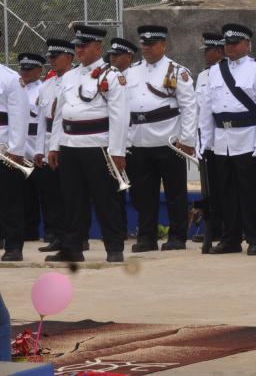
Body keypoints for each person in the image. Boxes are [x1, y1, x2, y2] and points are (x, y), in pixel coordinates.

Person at [46, 24, 130, 263]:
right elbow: (60, 114)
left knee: (105, 199)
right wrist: (54, 146)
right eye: (77, 46)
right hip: (70, 145)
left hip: (98, 146)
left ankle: (114, 247)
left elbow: (120, 116)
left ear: (97, 47)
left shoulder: (112, 76)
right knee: (72, 199)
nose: (79, 50)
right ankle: (73, 247)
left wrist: (117, 151)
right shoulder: (69, 76)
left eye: (84, 46)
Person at [199, 23, 256, 256]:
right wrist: (206, 143)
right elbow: (207, 109)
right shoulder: (214, 71)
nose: (230, 48)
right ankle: (230, 239)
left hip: (247, 137)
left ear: (247, 45)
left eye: (235, 44)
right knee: (226, 194)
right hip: (222, 139)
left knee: (249, 192)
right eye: (227, 44)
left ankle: (255, 239)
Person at [125, 25, 197, 252]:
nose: (146, 48)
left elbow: (189, 107)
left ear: (163, 45)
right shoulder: (131, 71)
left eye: (152, 44)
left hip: (169, 140)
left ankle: (177, 236)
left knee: (175, 193)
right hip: (139, 139)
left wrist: (187, 140)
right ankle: (147, 237)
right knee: (143, 193)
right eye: (144, 44)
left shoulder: (177, 72)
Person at [35, 39, 79, 253]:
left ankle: (76, 237)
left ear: (69, 58)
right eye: (50, 57)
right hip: (49, 143)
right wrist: (39, 150)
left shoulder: (76, 81)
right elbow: (43, 122)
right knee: (51, 195)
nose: (51, 61)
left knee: (70, 194)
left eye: (55, 57)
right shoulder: (45, 87)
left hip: (70, 142)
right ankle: (57, 236)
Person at [195, 31, 226, 252]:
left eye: (208, 50)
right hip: (207, 141)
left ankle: (230, 228)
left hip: (225, 139)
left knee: (226, 188)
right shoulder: (203, 76)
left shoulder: (226, 73)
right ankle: (213, 228)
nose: (205, 54)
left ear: (219, 51)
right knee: (211, 189)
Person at [0, 51, 30, 262]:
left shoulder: (10, 78)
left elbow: (19, 116)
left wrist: (16, 149)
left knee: (9, 199)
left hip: (4, 149)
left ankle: (13, 246)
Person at [18, 52, 45, 242]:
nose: (25, 73)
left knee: (45, 195)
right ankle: (28, 232)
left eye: (30, 69)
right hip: (19, 151)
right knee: (23, 196)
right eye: (23, 69)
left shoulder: (43, 90)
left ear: (39, 70)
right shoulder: (16, 88)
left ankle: (50, 232)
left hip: (37, 148)